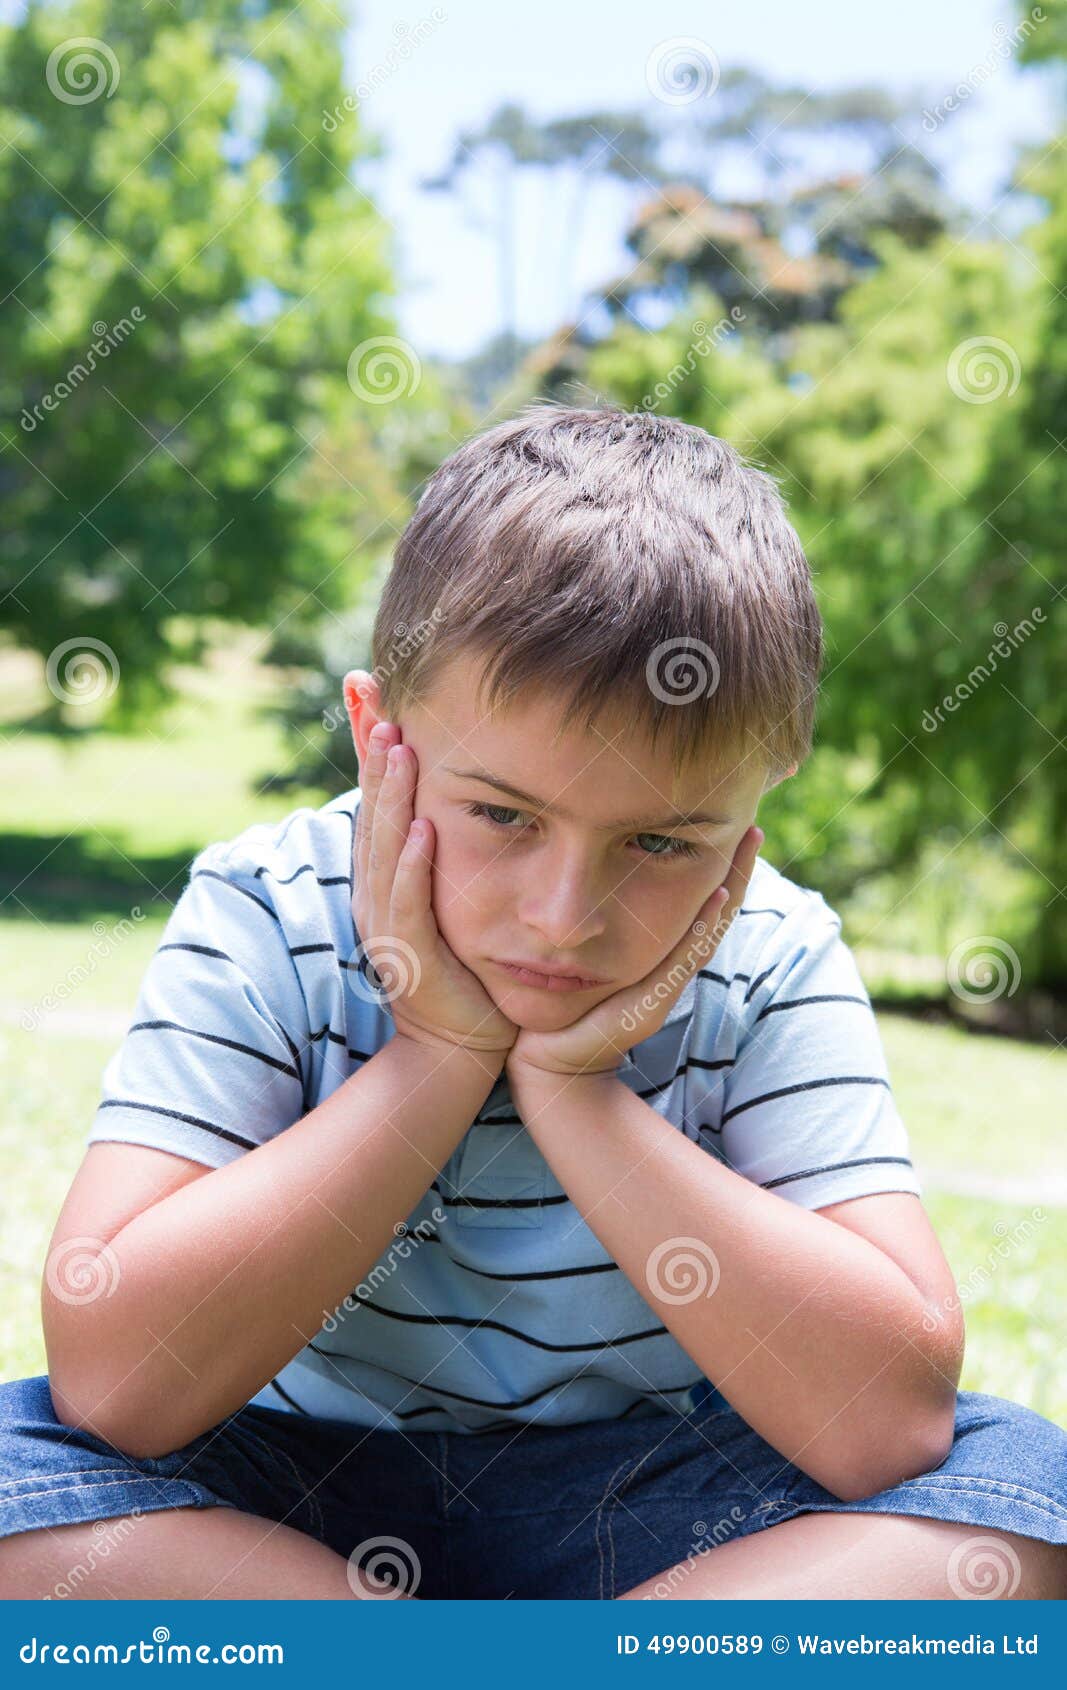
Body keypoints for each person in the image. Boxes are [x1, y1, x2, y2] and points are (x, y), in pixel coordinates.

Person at [1, 406, 1064, 1601]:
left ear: (754, 805)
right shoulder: (270, 910)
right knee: (18, 1497)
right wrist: (435, 1057)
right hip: (276, 1513)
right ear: (376, 740)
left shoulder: (769, 954)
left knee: (1021, 1509)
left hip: (665, 1518)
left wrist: (575, 1093)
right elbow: (111, 1384)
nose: (565, 915)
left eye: (660, 840)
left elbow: (888, 1428)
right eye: (504, 815)